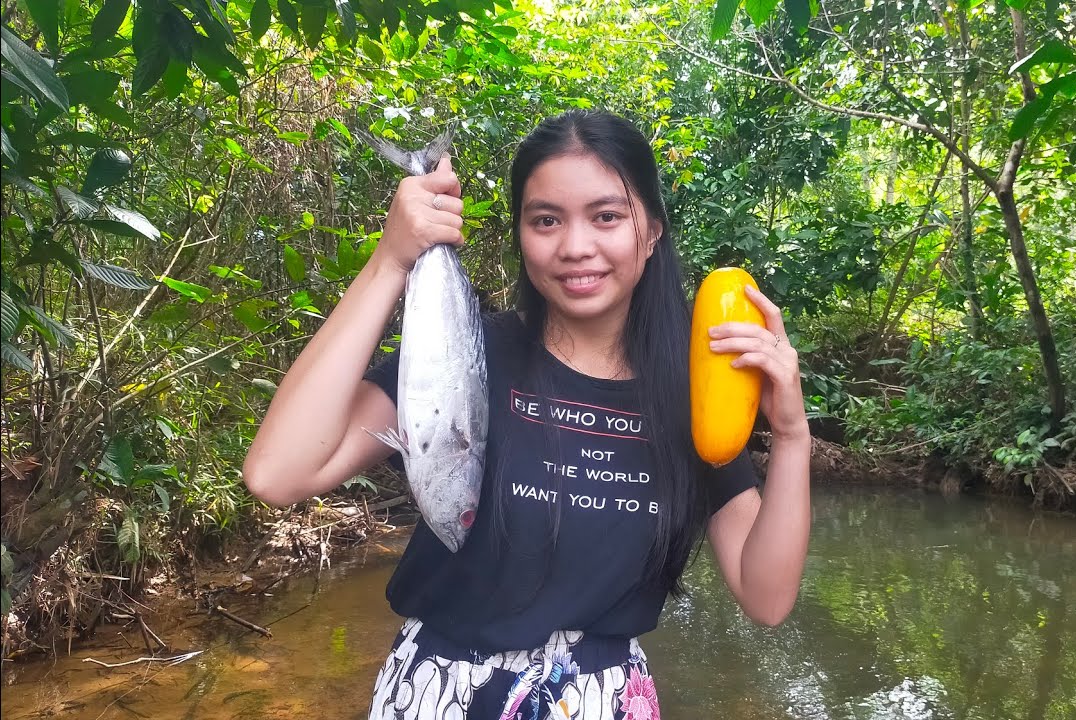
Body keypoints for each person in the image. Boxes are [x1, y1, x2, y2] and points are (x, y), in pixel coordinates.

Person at [242, 110, 811, 720]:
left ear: (651, 232)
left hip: (601, 700)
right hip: (441, 693)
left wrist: (791, 434)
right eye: (546, 220)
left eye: (607, 216)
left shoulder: (691, 393)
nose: (575, 247)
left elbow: (766, 596)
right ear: (520, 234)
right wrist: (390, 262)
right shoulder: (466, 353)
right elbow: (277, 474)